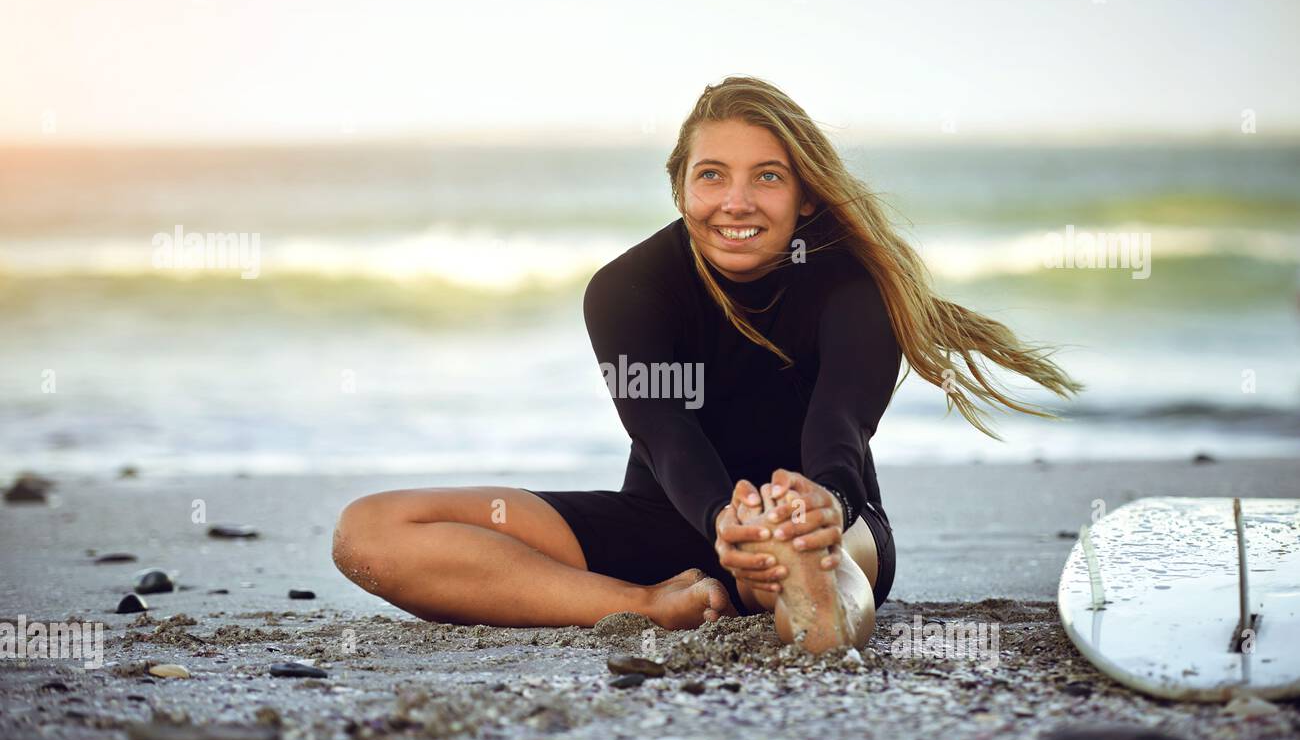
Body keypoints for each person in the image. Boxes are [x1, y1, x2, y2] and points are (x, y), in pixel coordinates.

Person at [332, 76, 1083, 653]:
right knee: (369, 531)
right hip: (661, 525)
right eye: (712, 175)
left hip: (821, 521)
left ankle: (801, 591)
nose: (736, 202)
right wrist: (722, 522)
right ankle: (647, 604)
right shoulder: (629, 288)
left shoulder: (855, 285)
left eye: (768, 176)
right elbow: (664, 434)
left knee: (808, 585)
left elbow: (840, 425)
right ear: (681, 187)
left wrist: (819, 510)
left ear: (806, 197)